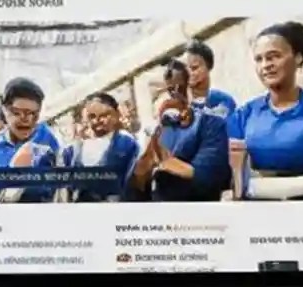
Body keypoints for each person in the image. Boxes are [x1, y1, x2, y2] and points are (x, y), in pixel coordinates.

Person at [226, 21, 303, 201]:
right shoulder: (244, 115)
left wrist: (252, 186)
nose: (265, 65)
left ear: (298, 57)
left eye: (273, 56)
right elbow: (231, 177)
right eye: (259, 59)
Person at [126, 60, 231, 202]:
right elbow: (137, 185)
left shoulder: (211, 123)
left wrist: (165, 161)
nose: (173, 96)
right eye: (168, 91)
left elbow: (207, 178)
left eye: (180, 88)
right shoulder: (160, 129)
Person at [0, 77, 61, 203]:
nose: (27, 120)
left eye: (33, 114)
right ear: (4, 109)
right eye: (18, 113)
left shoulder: (47, 138)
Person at [58, 93, 140, 202]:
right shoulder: (74, 150)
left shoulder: (126, 144)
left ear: (116, 114)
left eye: (104, 115)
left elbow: (132, 182)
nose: (97, 121)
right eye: (92, 116)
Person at [183, 39, 237, 119]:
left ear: (209, 66)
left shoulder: (224, 100)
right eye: (185, 68)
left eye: (194, 68)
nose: (189, 73)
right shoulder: (180, 105)